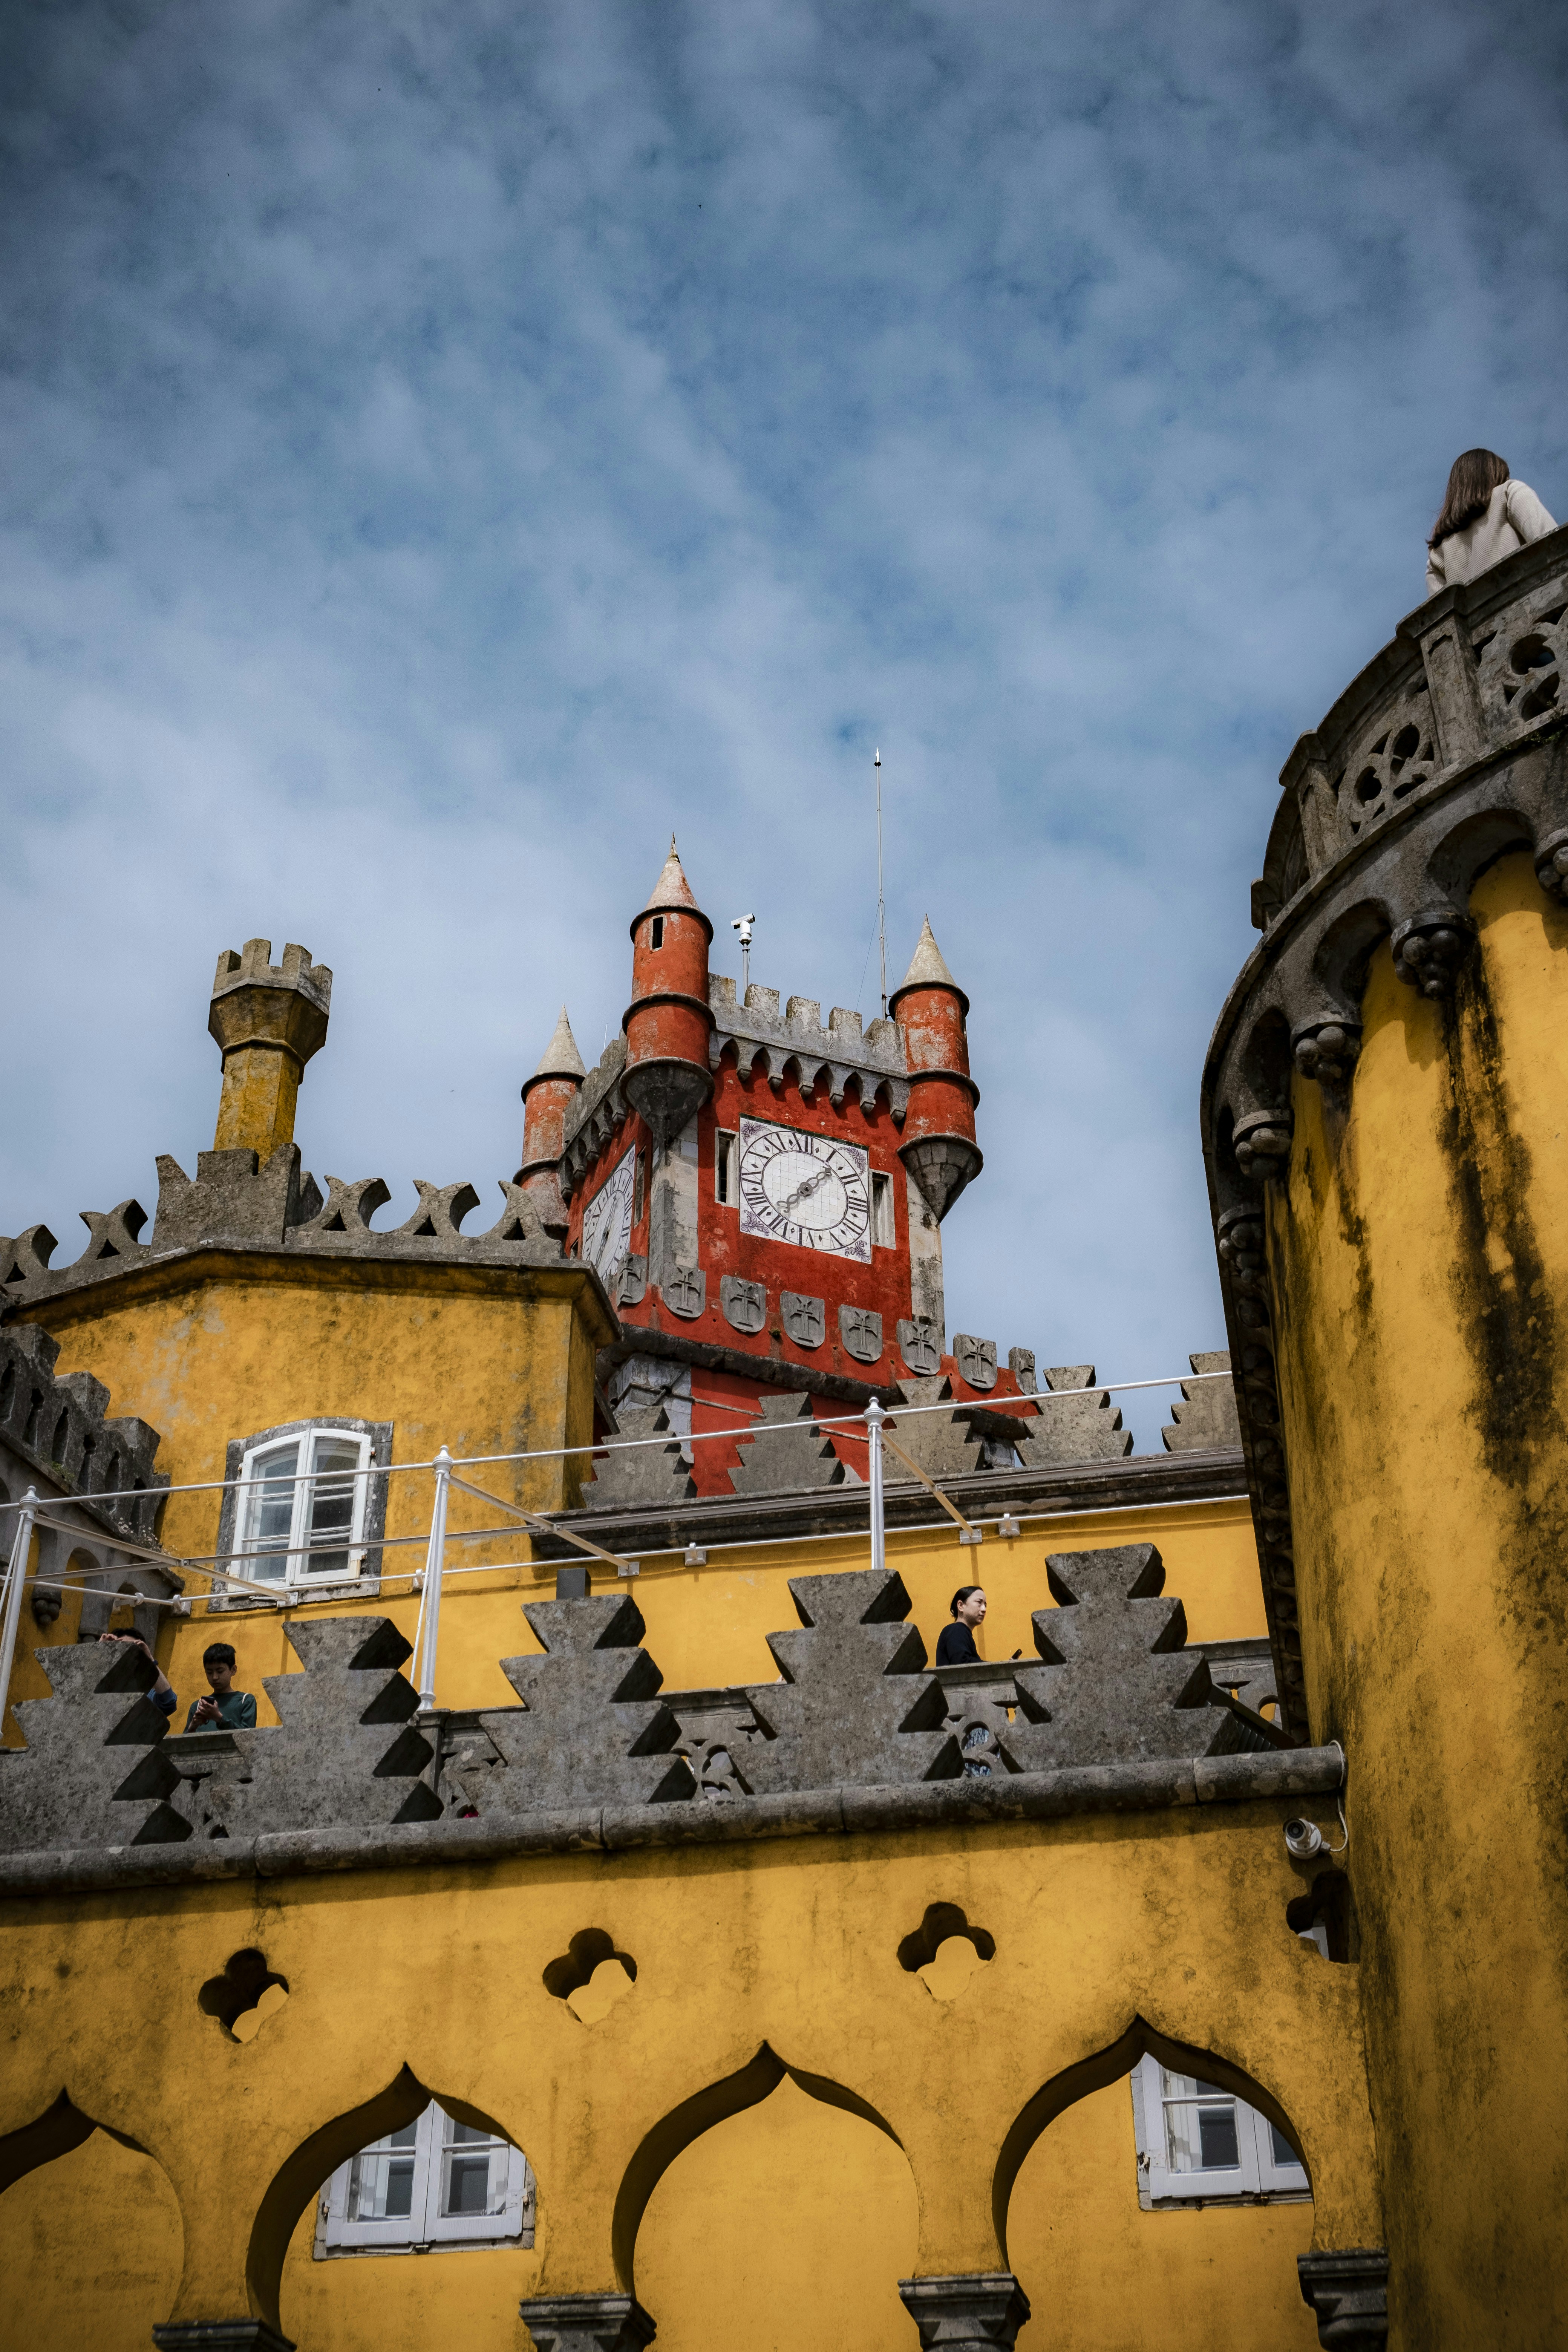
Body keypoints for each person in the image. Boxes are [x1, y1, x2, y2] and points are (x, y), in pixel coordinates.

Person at [1426, 450, 1556, 596]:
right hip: (1528, 605)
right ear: (1494, 474)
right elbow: (1553, 542)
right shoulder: (1509, 492)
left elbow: (1442, 613)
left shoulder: (1437, 553)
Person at [98, 1627, 177, 1717]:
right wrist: (100, 1650)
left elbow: (169, 1703)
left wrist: (149, 1658)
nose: (127, 1653)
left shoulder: (146, 1693)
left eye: (133, 1649)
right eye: (122, 1647)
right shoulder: (100, 1684)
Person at [184, 1642, 258, 1732]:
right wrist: (192, 1727)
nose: (215, 1677)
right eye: (210, 1672)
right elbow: (183, 1744)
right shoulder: (199, 1706)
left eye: (220, 1671)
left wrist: (219, 1718)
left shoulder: (245, 1701)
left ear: (233, 1670)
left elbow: (247, 1737)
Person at [935, 1585, 986, 1666]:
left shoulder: (960, 1632)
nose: (984, 1609)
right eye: (979, 1603)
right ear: (961, 1606)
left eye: (985, 1605)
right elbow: (963, 1663)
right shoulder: (956, 1630)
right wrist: (1000, 1668)